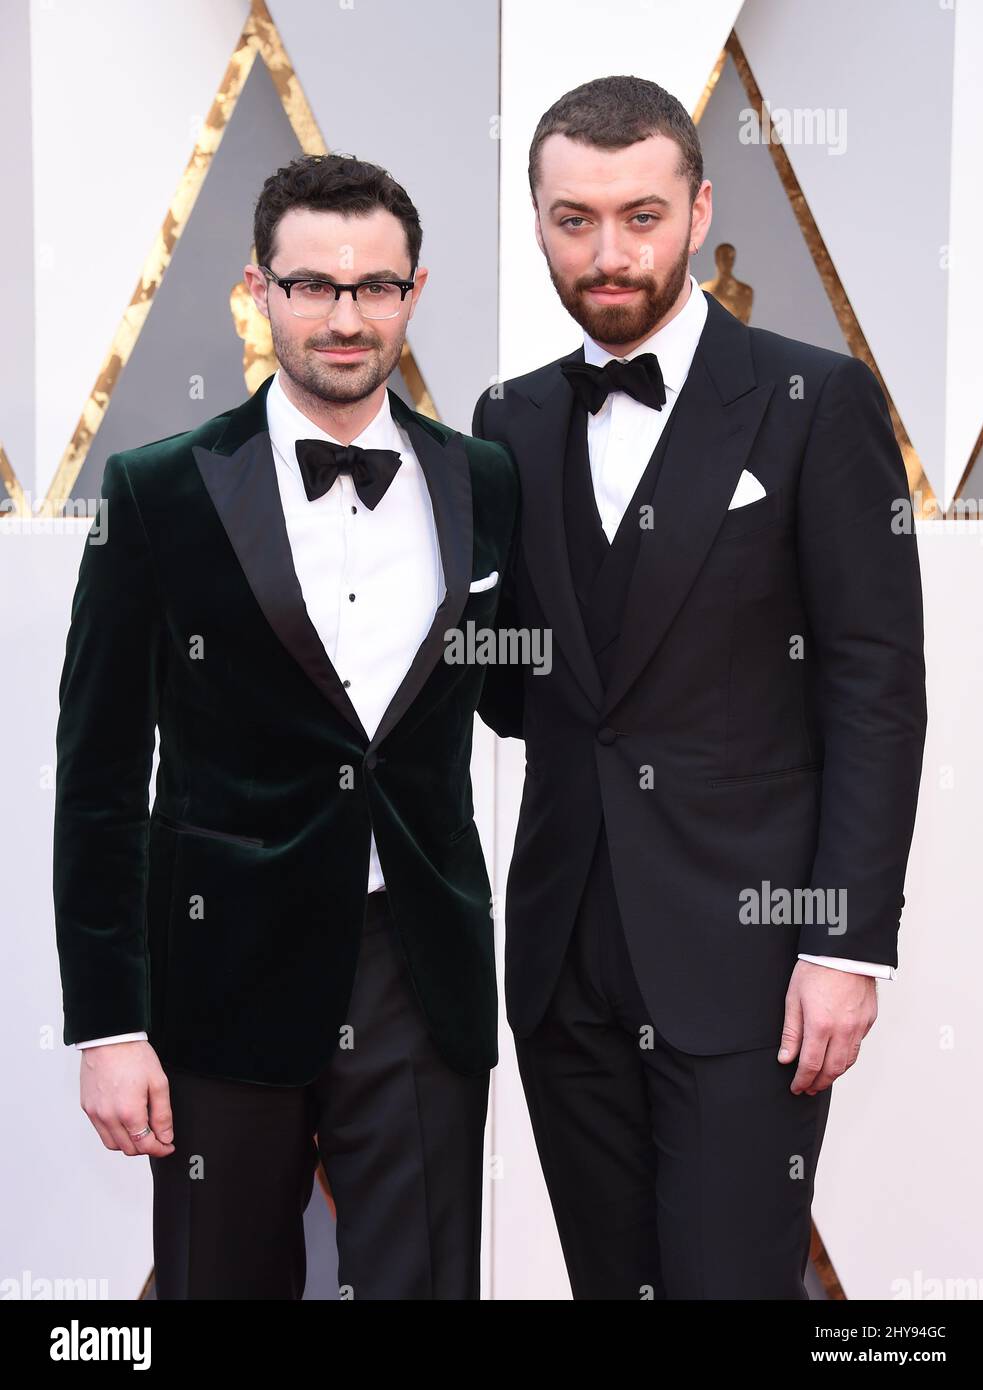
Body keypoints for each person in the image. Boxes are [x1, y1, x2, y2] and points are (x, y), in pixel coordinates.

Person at [473, 75, 927, 1299]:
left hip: (751, 960)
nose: (609, 251)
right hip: (566, 952)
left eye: (641, 215)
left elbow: (876, 687)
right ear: (537, 223)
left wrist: (845, 939)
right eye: (576, 219)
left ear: (698, 207)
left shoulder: (813, 399)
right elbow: (523, 697)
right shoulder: (505, 421)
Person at [53, 153, 518, 1300]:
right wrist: (108, 1025)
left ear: (414, 293)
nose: (345, 316)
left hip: (418, 967)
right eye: (313, 284)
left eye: (373, 286)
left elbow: (524, 697)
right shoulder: (154, 491)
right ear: (259, 290)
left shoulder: (486, 480)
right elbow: (100, 778)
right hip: (218, 971)